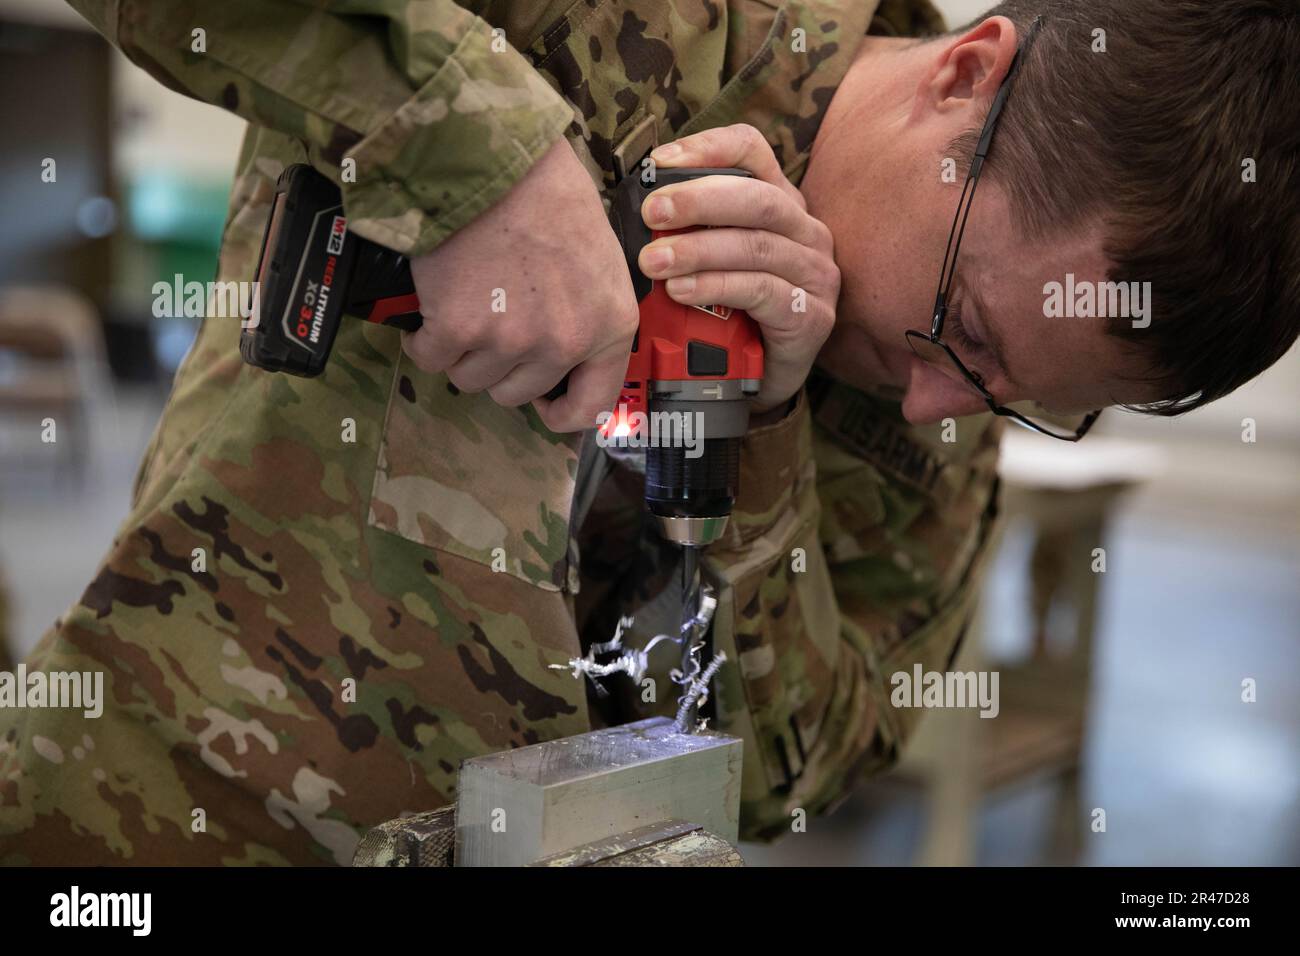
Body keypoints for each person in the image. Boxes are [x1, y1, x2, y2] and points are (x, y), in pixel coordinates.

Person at [0, 0, 1294, 864]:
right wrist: (479, 154)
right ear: (967, 76)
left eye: (1025, 400)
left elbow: (808, 767)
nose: (937, 408)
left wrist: (768, 438)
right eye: (959, 327)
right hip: (172, 815)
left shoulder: (944, 403)